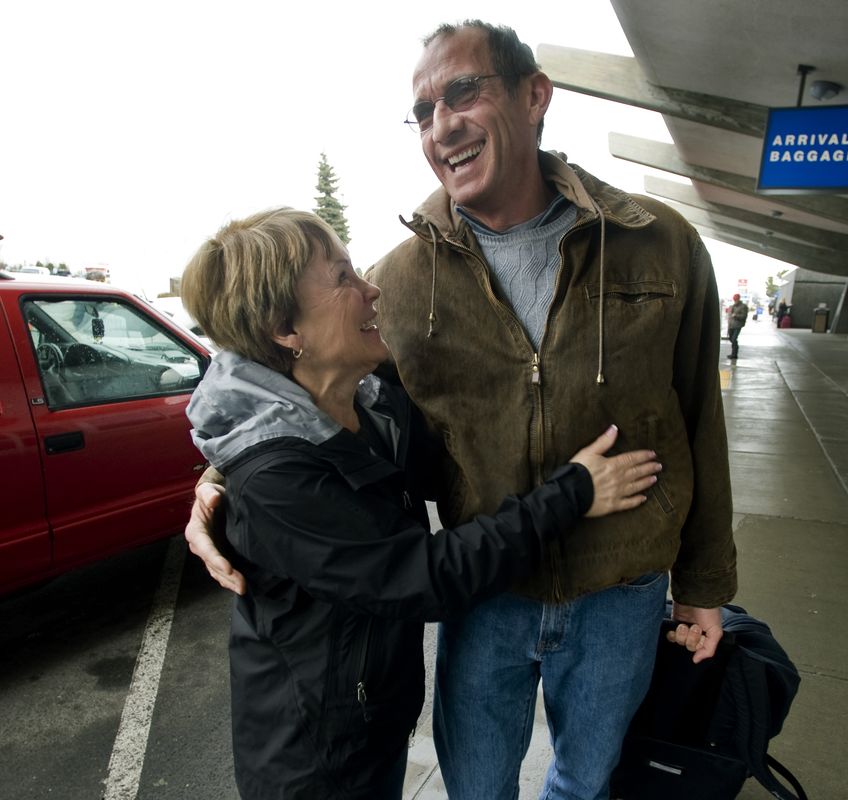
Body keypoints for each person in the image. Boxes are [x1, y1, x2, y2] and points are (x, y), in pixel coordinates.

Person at [185, 20, 738, 800]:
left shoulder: (659, 244)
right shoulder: (398, 282)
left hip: (623, 588)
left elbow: (699, 422)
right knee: (477, 790)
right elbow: (285, 407)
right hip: (484, 600)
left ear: (535, 95)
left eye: (462, 92)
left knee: (588, 784)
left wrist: (704, 584)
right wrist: (215, 485)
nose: (441, 123)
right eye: (421, 110)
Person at [179, 208, 660, 799]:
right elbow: (421, 577)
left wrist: (217, 476)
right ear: (285, 329)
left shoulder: (372, 404)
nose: (371, 289)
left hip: (370, 718)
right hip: (312, 760)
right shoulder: (281, 477)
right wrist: (573, 493)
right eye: (343, 278)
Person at [726, 292, 749, 360]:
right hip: (731, 325)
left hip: (737, 325)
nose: (735, 301)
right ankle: (734, 353)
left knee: (734, 339)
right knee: (731, 338)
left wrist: (736, 316)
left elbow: (744, 316)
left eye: (736, 299)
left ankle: (734, 354)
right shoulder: (732, 306)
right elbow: (729, 316)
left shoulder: (743, 306)